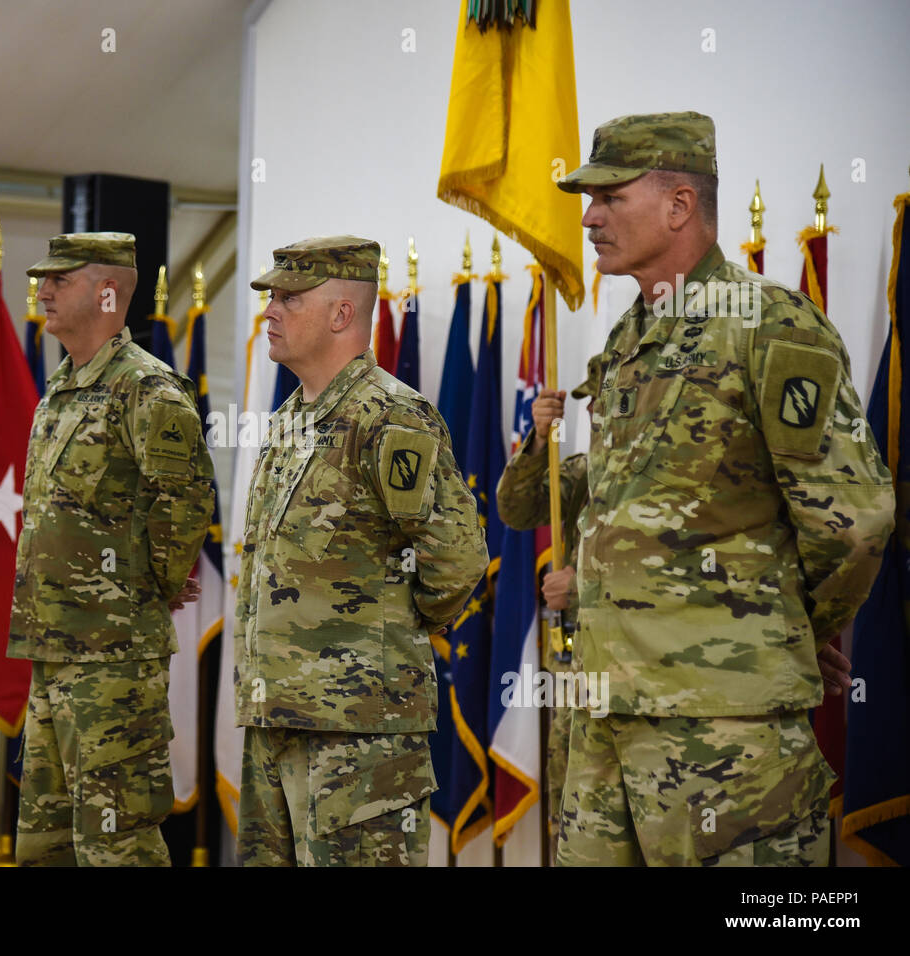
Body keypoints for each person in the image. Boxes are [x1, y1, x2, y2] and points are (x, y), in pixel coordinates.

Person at [553, 111, 894, 866]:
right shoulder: (630, 340)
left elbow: (853, 520)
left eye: (610, 196)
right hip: (606, 709)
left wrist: (789, 627)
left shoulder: (769, 325)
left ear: (679, 206)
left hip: (722, 725)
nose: (589, 216)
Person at [235, 235, 488, 866]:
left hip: (360, 733)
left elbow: (455, 560)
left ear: (342, 314)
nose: (271, 312)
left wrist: (386, 635)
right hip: (278, 719)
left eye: (289, 299)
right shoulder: (292, 418)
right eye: (271, 297)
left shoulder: (390, 418)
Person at [8, 232, 215, 866]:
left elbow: (185, 498)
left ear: (105, 292)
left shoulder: (147, 389)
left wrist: (148, 581)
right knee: (44, 848)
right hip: (53, 649)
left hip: (113, 661)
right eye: (43, 278)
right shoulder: (60, 391)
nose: (42, 290)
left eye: (59, 280)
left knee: (116, 843)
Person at [495, 356, 599, 861]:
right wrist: (539, 442)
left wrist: (582, 588)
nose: (598, 411)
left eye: (611, 400)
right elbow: (515, 508)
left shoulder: (672, 480)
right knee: (571, 811)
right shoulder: (583, 473)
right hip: (572, 672)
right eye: (593, 402)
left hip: (635, 675)